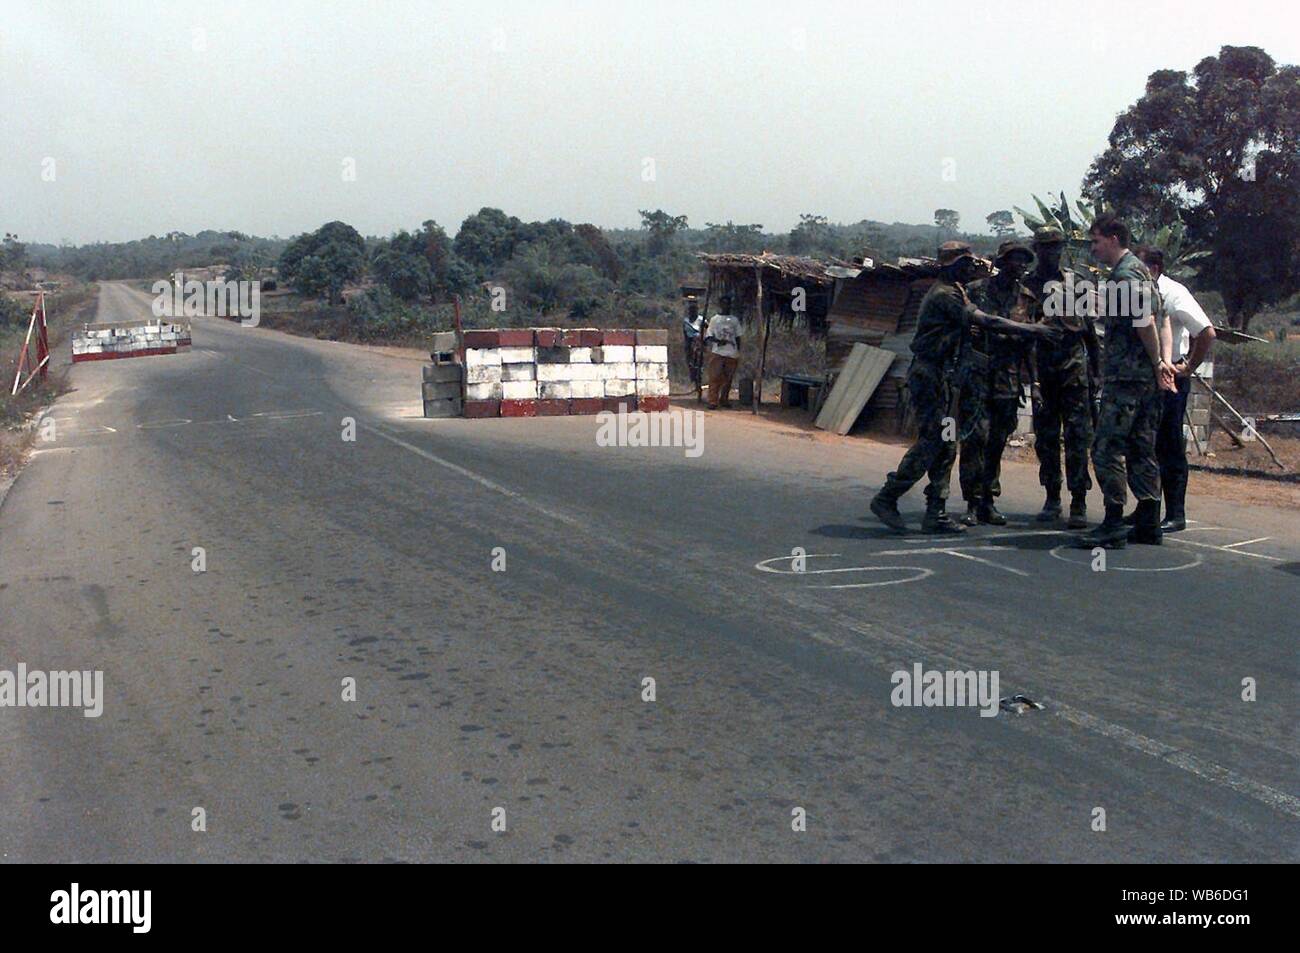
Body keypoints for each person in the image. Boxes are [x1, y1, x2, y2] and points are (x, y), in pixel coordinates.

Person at [869, 242, 1058, 534]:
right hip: (930, 375)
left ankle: (936, 510)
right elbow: (988, 321)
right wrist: (1034, 329)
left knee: (946, 444)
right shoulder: (946, 295)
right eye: (963, 262)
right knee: (934, 441)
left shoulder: (957, 290)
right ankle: (888, 495)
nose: (969, 267)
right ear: (949, 265)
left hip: (946, 376)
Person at [1074, 216, 1176, 550]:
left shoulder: (1125, 274)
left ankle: (1114, 522)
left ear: (1114, 238)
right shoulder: (1144, 273)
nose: (1093, 248)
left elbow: (1144, 320)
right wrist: (1159, 363)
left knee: (1106, 448)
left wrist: (1157, 360)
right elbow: (1160, 319)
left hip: (1127, 378)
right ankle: (1148, 521)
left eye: (1096, 241)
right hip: (1143, 380)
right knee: (1141, 448)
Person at [1021, 225, 1101, 529]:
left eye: (1056, 246)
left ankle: (1078, 500)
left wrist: (1097, 373)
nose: (1051, 252)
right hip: (1043, 372)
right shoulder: (1026, 286)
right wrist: (1033, 382)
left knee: (1079, 439)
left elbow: (1089, 334)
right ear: (1037, 250)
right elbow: (1024, 337)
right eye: (1046, 247)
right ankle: (1052, 497)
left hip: (1074, 372)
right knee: (1046, 439)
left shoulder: (1075, 283)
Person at [1133, 246, 1216, 532]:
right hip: (1143, 377)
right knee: (1144, 445)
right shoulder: (1136, 294)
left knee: (1169, 445)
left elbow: (1206, 332)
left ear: (1153, 269)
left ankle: (1175, 513)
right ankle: (1147, 506)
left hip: (1170, 377)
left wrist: (1189, 366)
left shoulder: (1174, 293)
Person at [958, 240, 1039, 526]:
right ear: (1001, 262)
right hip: (978, 374)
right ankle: (971, 500)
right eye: (1014, 259)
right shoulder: (976, 290)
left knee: (996, 441)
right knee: (975, 438)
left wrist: (1034, 383)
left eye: (1023, 260)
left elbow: (1030, 342)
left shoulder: (1027, 297)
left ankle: (988, 501)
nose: (1019, 265)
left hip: (1009, 377)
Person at [703, 295, 742, 409]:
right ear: (720, 305)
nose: (726, 306)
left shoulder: (734, 320)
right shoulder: (715, 320)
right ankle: (713, 401)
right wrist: (718, 341)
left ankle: (724, 399)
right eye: (724, 303)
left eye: (728, 303)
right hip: (718, 352)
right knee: (715, 377)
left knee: (728, 379)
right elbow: (708, 337)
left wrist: (738, 351)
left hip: (732, 353)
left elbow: (738, 336)